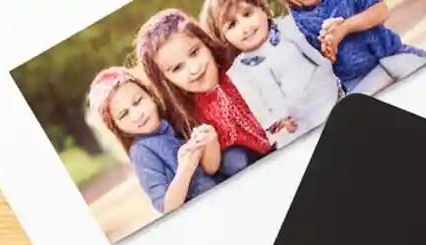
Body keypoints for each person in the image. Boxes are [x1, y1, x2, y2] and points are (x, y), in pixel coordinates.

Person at [136, 8, 272, 179]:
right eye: (177, 68)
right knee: (233, 160)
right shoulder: (188, 116)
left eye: (194, 53)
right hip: (253, 168)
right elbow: (211, 168)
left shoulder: (240, 66)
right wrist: (209, 143)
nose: (194, 69)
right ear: (166, 82)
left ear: (205, 42)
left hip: (285, 137)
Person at [200, 0, 343, 147]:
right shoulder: (239, 72)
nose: (245, 28)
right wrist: (278, 123)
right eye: (232, 25)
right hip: (299, 134)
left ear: (262, 8)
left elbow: (315, 52)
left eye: (248, 14)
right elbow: (258, 107)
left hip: (329, 100)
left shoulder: (289, 26)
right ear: (223, 38)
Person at [87, 66, 220, 214]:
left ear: (150, 95)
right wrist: (185, 168)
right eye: (124, 114)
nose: (137, 115)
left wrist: (209, 141)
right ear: (116, 127)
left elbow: (210, 169)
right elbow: (167, 207)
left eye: (138, 101)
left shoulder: (172, 123)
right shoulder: (141, 152)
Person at [285, 0, 426, 95]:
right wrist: (329, 50)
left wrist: (344, 28)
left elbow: (381, 11)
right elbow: (319, 65)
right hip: (358, 81)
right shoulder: (295, 25)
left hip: (393, 55)